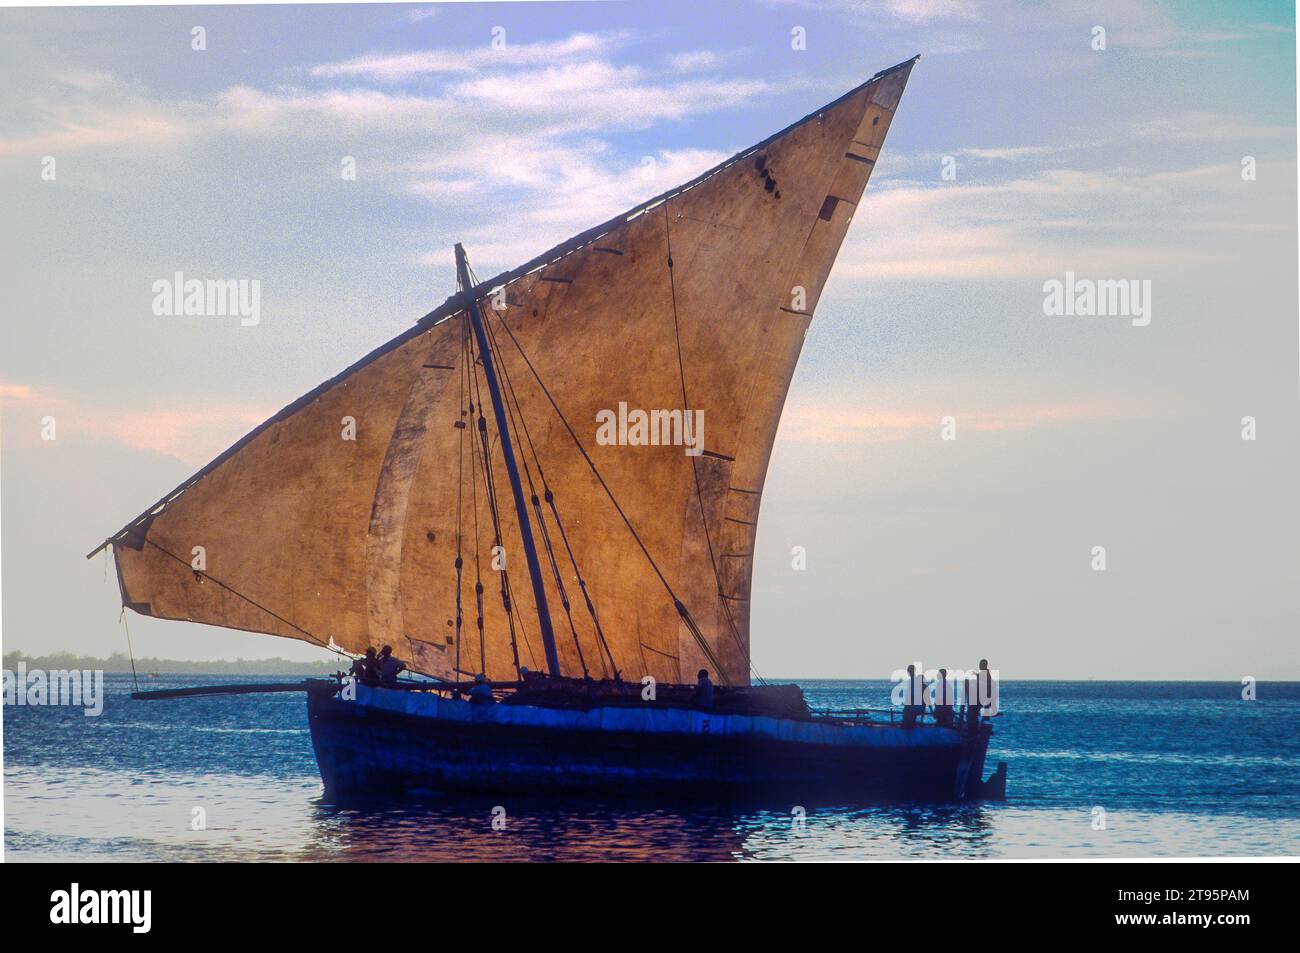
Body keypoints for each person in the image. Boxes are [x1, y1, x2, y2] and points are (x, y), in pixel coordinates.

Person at [902, 664, 921, 728]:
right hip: (915, 706)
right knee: (911, 722)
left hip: (912, 707)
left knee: (908, 723)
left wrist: (908, 706)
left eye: (909, 671)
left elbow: (912, 695)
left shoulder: (912, 681)